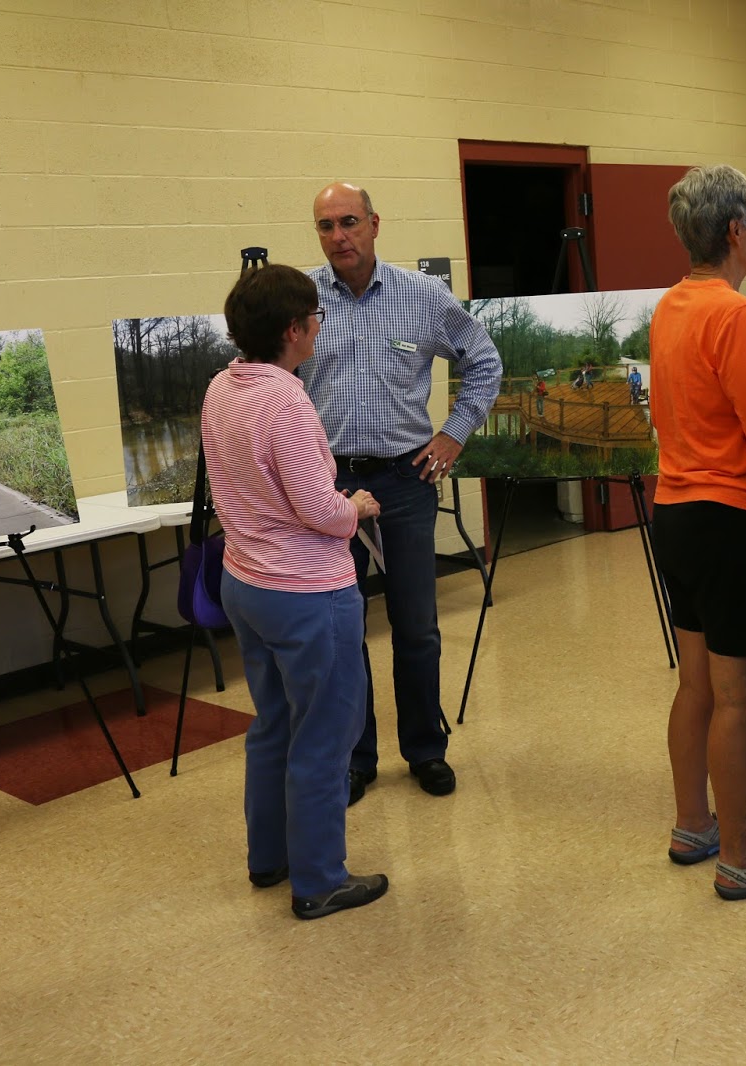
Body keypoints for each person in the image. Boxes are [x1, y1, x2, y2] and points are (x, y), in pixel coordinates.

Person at [300, 182, 503, 805]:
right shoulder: (301, 299)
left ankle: (424, 749)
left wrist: (454, 434)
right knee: (342, 628)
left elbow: (485, 362)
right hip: (330, 485)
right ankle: (356, 758)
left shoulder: (422, 296)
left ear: (374, 224)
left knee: (416, 626)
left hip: (404, 482)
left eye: (349, 222)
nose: (339, 236)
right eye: (327, 226)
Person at [203, 263, 388, 920]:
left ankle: (270, 858)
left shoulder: (222, 386)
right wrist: (355, 507)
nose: (318, 326)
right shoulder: (286, 401)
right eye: (315, 317)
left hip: (245, 583)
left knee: (275, 724)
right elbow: (318, 508)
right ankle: (319, 880)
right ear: (293, 330)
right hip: (307, 594)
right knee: (325, 735)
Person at [649, 165, 746, 899]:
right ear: (736, 230)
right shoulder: (736, 314)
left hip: (677, 512)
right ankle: (740, 857)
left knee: (696, 685)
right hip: (733, 519)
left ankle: (694, 824)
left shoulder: (671, 304)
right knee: (740, 700)